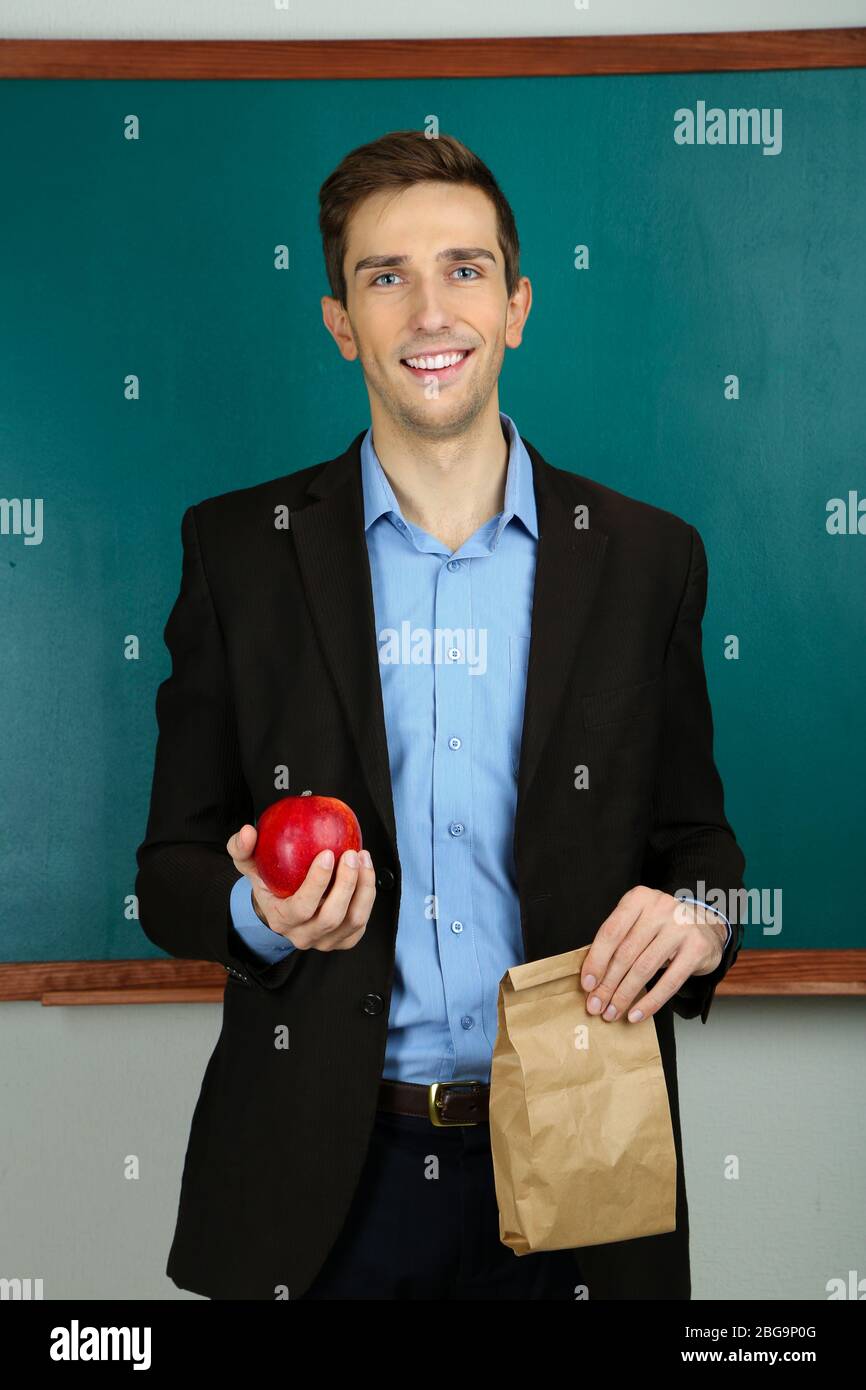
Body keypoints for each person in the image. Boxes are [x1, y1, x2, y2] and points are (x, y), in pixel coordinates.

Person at [135, 129, 745, 1301]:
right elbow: (167, 867)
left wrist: (699, 922)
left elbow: (704, 856)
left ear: (514, 306)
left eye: (463, 270)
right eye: (385, 276)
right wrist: (259, 915)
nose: (429, 311)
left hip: (577, 1159)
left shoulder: (644, 558)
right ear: (338, 320)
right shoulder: (237, 554)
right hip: (325, 1185)